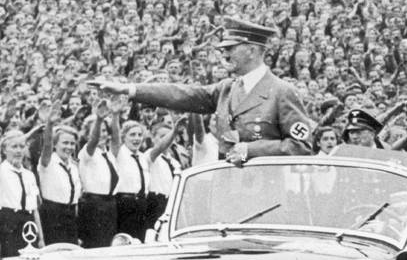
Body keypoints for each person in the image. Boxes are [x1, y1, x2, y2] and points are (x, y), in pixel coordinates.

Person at [94, 17, 313, 163]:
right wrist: (128, 89)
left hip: (269, 194)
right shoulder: (227, 89)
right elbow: (181, 95)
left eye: (230, 49)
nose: (224, 55)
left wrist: (251, 150)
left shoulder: (282, 91)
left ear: (252, 51)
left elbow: (301, 146)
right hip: (229, 190)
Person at [0, 128, 43, 257]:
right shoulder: (0, 170)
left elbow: (34, 209)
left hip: (29, 223)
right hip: (8, 221)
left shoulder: (29, 175)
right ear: (4, 150)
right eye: (14, 147)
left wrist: (41, 238)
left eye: (21, 147)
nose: (18, 151)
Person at [77, 100, 120, 248]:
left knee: (109, 244)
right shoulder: (87, 152)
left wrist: (115, 115)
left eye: (104, 131)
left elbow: (116, 138)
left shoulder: (108, 154)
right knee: (96, 245)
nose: (102, 134)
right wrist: (99, 119)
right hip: (94, 205)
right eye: (98, 130)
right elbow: (93, 140)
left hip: (110, 204)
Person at [37, 119, 82, 245]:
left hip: (70, 215)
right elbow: (46, 145)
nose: (69, 147)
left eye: (72, 144)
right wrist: (50, 124)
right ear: (55, 144)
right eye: (65, 143)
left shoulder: (73, 166)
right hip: (53, 214)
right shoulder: (47, 162)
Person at [113, 120, 150, 240]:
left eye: (139, 135)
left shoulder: (142, 157)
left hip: (142, 203)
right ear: (124, 137)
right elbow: (115, 138)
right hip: (125, 204)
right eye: (132, 135)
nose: (137, 138)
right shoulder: (119, 153)